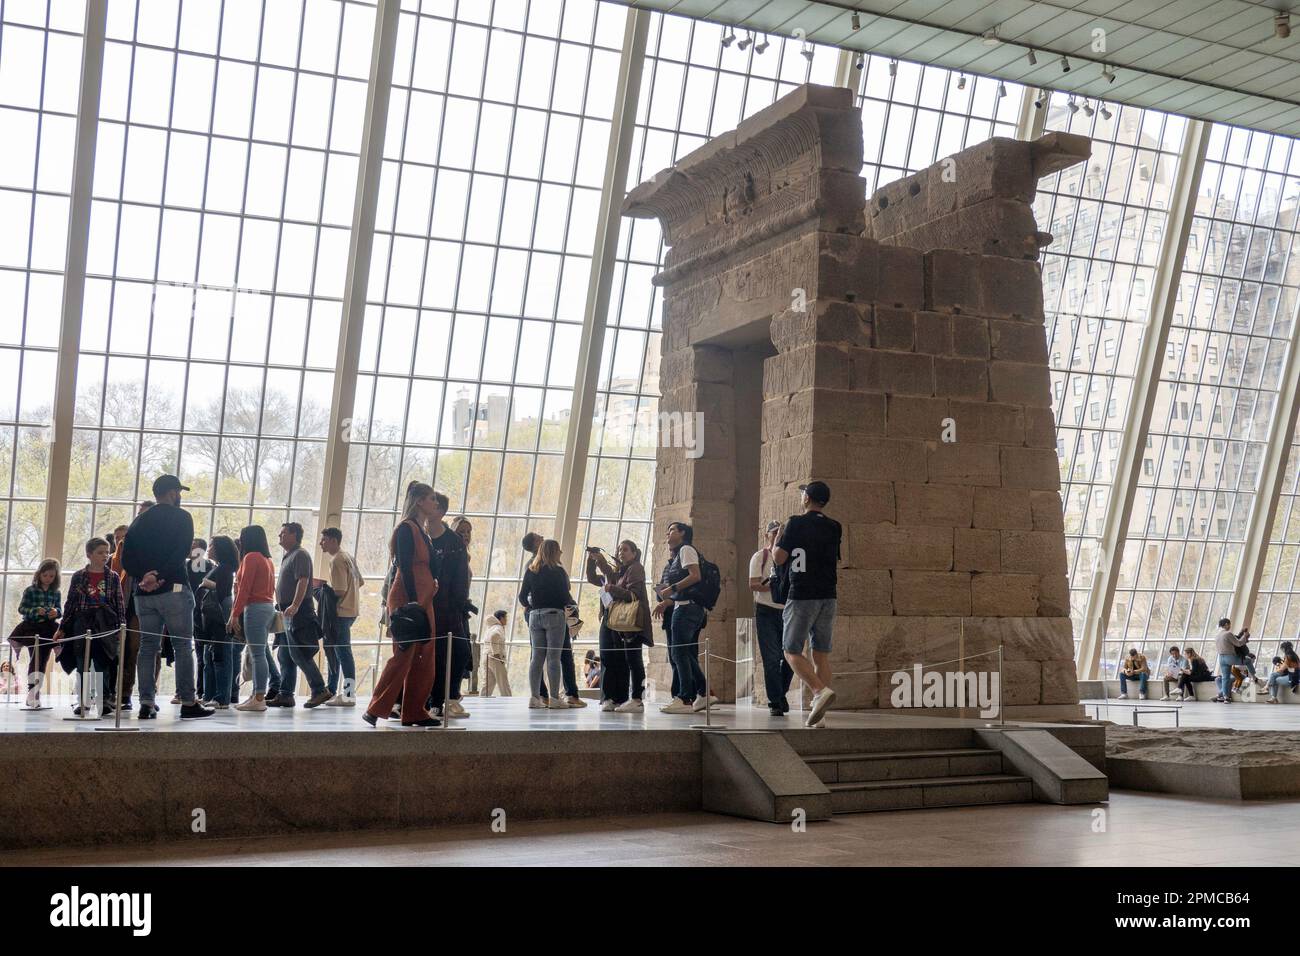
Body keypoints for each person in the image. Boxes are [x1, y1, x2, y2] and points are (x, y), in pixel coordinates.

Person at [119, 476, 212, 720]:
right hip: (174, 589)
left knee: (147, 648)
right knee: (183, 646)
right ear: (172, 493)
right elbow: (180, 553)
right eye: (179, 492)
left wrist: (144, 576)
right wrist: (158, 575)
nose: (180, 496)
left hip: (144, 595)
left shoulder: (138, 521)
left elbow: (126, 559)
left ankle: (146, 702)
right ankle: (188, 701)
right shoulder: (182, 518)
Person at [364, 481, 442, 728]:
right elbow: (405, 567)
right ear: (419, 501)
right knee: (405, 653)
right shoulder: (407, 529)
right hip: (408, 597)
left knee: (424, 655)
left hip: (424, 596)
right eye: (431, 498)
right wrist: (412, 603)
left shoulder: (423, 529)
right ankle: (376, 708)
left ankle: (414, 710)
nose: (435, 503)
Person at [775, 481, 842, 728]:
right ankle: (819, 717)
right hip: (828, 594)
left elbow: (779, 557)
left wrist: (777, 540)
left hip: (802, 593)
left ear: (807, 498)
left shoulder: (795, 523)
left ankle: (818, 691)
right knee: (820, 654)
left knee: (790, 650)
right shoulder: (835, 527)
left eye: (804, 493)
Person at [55, 538, 126, 716]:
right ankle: (83, 701)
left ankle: (103, 700)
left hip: (105, 624)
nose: (105, 555)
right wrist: (62, 627)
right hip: (82, 622)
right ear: (89, 554)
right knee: (82, 663)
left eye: (107, 552)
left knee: (104, 662)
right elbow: (71, 603)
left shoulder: (113, 577)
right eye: (100, 552)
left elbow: (119, 603)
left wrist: (120, 628)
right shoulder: (79, 576)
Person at [585, 540, 653, 713]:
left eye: (625, 550)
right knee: (610, 657)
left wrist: (611, 588)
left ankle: (623, 698)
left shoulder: (633, 569)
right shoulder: (619, 572)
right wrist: (592, 560)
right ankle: (611, 698)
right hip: (613, 618)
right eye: (619, 550)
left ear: (634, 553)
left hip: (623, 619)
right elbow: (594, 578)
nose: (621, 553)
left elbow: (632, 594)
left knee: (624, 659)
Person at [652, 522, 711, 714]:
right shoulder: (680, 554)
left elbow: (695, 575)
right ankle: (703, 692)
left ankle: (685, 698)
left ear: (683, 533)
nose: (668, 534)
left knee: (679, 653)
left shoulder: (686, 549)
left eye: (672, 530)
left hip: (687, 608)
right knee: (683, 653)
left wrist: (672, 588)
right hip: (684, 607)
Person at [271, 523, 331, 709]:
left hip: (297, 611)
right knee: (285, 654)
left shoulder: (300, 555)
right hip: (286, 610)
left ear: (294, 535)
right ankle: (286, 694)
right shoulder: (288, 556)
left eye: (283, 533)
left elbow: (303, 580)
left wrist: (295, 605)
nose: (279, 536)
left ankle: (319, 688)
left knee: (298, 652)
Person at [424, 495, 471, 719]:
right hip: (425, 606)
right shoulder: (420, 537)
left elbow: (460, 579)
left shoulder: (454, 544)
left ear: (440, 511)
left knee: (459, 652)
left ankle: (448, 697)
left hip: (449, 609)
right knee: (431, 655)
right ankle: (432, 699)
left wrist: (457, 606)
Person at [523, 531, 583, 706]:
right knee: (554, 658)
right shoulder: (557, 571)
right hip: (554, 616)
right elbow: (565, 597)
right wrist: (572, 613)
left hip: (535, 616)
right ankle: (555, 698)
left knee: (536, 658)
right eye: (559, 550)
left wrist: (533, 607)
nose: (561, 553)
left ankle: (534, 697)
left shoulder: (531, 569)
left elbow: (522, 596)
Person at [230, 526, 277, 712]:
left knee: (257, 654)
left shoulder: (251, 557)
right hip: (266, 607)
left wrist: (235, 613)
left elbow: (244, 589)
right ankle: (257, 695)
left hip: (255, 608)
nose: (240, 541)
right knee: (259, 653)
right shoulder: (267, 560)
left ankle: (259, 696)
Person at [750, 519, 792, 716]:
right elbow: (753, 584)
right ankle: (775, 702)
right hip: (766, 610)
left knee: (791, 657)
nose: (777, 536)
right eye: (773, 532)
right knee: (771, 658)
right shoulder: (761, 556)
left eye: (780, 533)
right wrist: (775, 587)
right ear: (767, 535)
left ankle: (780, 693)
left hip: (787, 610)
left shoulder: (789, 557)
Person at [316, 527, 361, 707]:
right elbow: (361, 582)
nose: (321, 543)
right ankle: (333, 689)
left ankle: (348, 695)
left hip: (341, 613)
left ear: (334, 540)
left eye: (324, 540)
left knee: (342, 652)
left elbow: (339, 590)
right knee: (338, 651)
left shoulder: (336, 560)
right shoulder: (349, 557)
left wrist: (320, 590)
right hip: (351, 610)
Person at [9, 558, 61, 708]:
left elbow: (59, 610)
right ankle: (31, 694)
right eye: (45, 575)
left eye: (51, 576)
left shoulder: (55, 592)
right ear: (39, 574)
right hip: (32, 627)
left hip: (49, 628)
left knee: (43, 661)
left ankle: (36, 693)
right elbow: (22, 609)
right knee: (35, 660)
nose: (48, 579)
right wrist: (34, 611)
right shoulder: (30, 590)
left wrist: (55, 612)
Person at [196, 536, 238, 708]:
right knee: (210, 656)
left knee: (221, 656)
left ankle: (222, 698)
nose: (209, 548)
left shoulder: (225, 568)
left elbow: (223, 590)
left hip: (220, 615)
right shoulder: (219, 567)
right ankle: (209, 694)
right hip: (212, 617)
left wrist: (207, 584)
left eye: (212, 545)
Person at [109, 523, 140, 708]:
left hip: (136, 610)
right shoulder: (111, 562)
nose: (121, 541)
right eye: (118, 538)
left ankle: (128, 693)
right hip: (118, 612)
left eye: (124, 537)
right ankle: (113, 692)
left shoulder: (139, 561)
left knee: (134, 652)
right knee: (118, 653)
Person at [1212, 617, 1248, 703]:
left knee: (1225, 678)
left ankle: (1225, 697)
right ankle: (1253, 677)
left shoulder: (1217, 635)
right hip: (1229, 657)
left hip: (1221, 658)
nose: (1230, 626)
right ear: (1226, 624)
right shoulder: (1228, 633)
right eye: (1229, 624)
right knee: (1248, 661)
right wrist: (1245, 636)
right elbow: (1238, 643)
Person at [479, 609, 511, 697]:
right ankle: (508, 701)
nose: (506, 620)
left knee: (487, 684)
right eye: (506, 617)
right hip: (494, 658)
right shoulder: (498, 627)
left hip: (486, 657)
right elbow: (494, 636)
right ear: (501, 618)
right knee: (503, 683)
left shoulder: (490, 627)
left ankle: (481, 701)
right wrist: (497, 654)